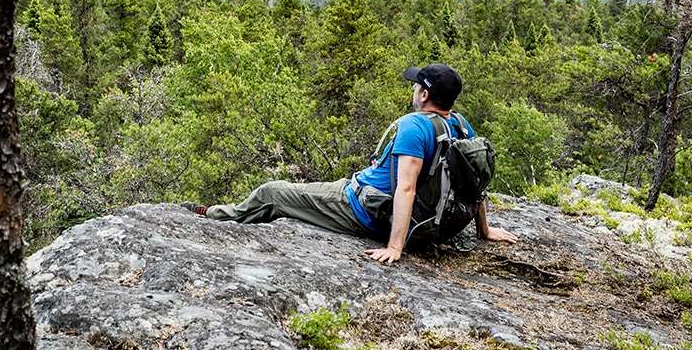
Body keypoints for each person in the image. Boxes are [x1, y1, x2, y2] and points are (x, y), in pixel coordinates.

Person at [181, 63, 518, 264]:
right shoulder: (459, 124)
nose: (414, 89)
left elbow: (406, 186)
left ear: (425, 95)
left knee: (273, 193)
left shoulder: (414, 127)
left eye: (417, 85)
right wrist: (484, 231)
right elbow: (476, 182)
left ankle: (214, 215)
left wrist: (395, 247)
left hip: (365, 210)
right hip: (434, 222)